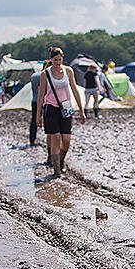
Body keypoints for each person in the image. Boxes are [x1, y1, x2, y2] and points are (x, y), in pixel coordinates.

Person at [36, 47, 86, 177]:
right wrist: (38, 116)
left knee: (67, 140)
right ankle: (56, 170)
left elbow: (75, 90)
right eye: (55, 60)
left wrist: (81, 109)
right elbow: (41, 96)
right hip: (51, 108)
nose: (58, 62)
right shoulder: (45, 74)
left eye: (60, 59)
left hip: (66, 107)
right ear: (51, 59)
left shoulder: (68, 71)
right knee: (56, 138)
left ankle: (61, 161)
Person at [29, 71, 40, 146]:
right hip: (44, 100)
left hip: (34, 100)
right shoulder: (46, 76)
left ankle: (32, 139)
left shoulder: (34, 76)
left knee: (34, 120)